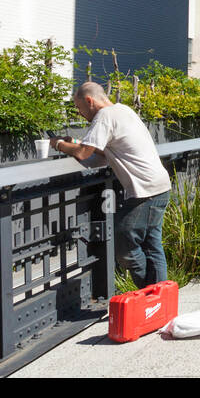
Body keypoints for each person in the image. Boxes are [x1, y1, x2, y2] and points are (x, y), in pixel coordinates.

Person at [51, 81, 172, 289]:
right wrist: (77, 144)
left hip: (145, 191)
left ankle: (150, 294)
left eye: (79, 108)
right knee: (153, 247)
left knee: (124, 245)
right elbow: (101, 156)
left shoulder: (103, 117)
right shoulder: (123, 110)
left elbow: (83, 153)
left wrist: (60, 144)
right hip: (160, 186)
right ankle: (161, 301)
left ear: (89, 101)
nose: (81, 114)